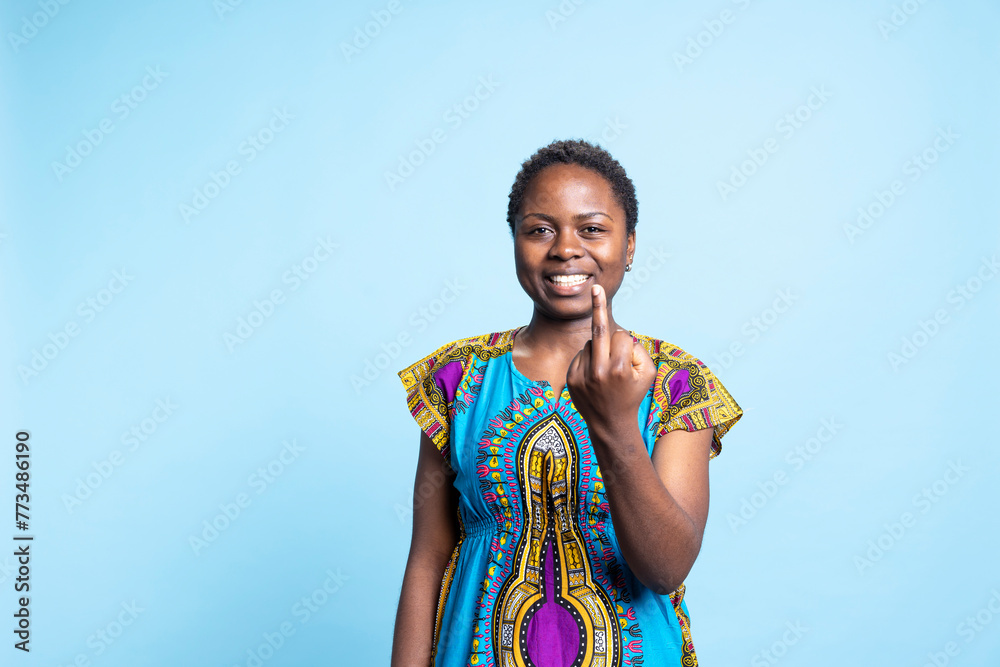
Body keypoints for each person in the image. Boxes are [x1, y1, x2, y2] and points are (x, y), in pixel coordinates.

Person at [391, 139, 743, 667]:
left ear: (629, 246)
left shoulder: (676, 383)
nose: (565, 249)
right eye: (540, 229)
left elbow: (666, 568)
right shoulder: (457, 379)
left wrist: (617, 426)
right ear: (514, 241)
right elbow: (427, 559)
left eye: (593, 229)